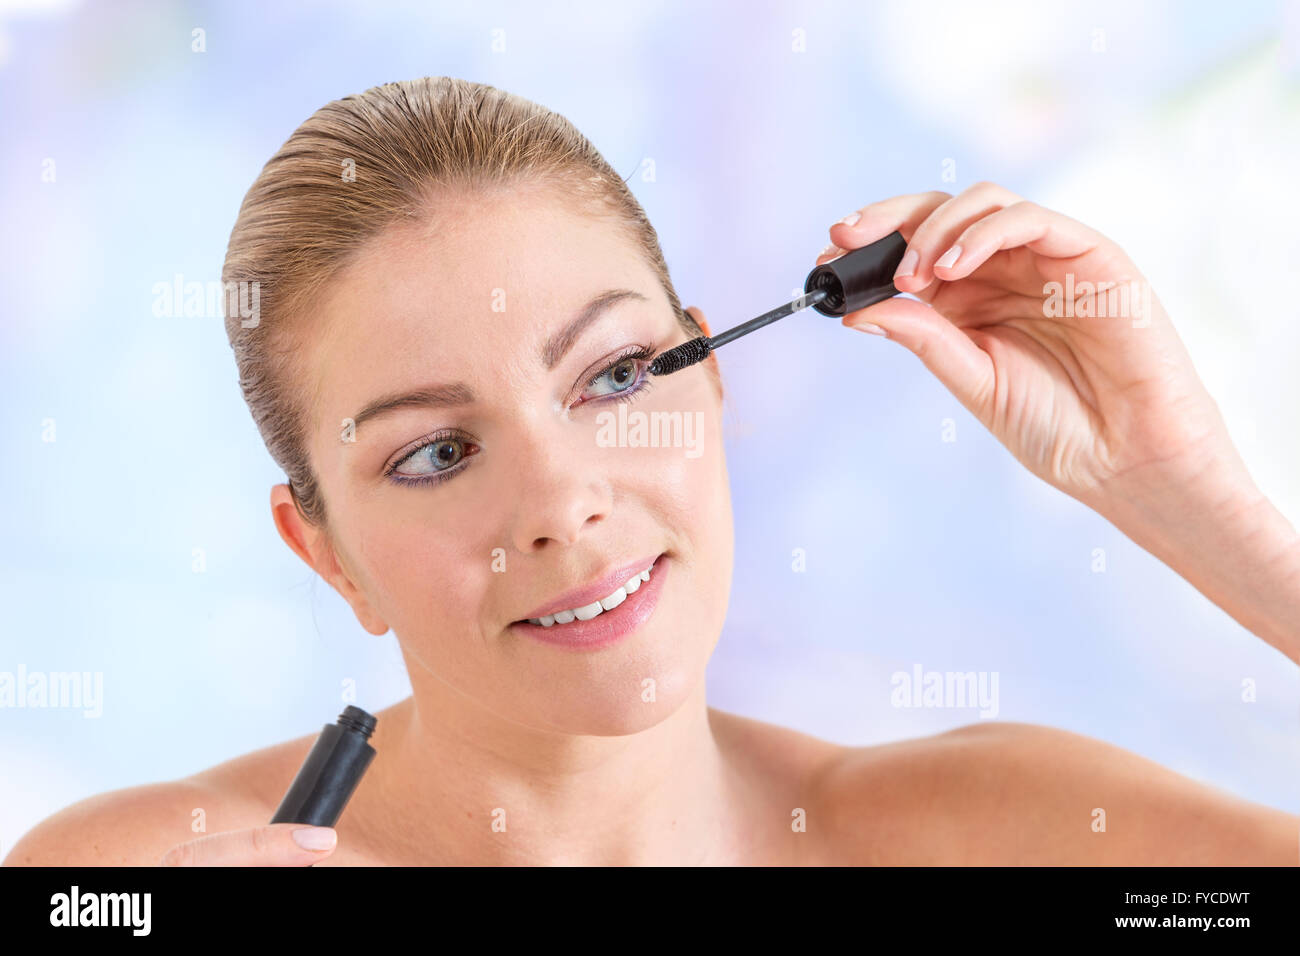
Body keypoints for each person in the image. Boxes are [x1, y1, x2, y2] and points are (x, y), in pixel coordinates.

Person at [6, 77, 1297, 866]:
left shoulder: (999, 838)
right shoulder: (135, 882)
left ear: (712, 372)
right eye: (438, 452)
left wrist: (1189, 493)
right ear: (326, 551)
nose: (565, 503)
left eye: (617, 378)